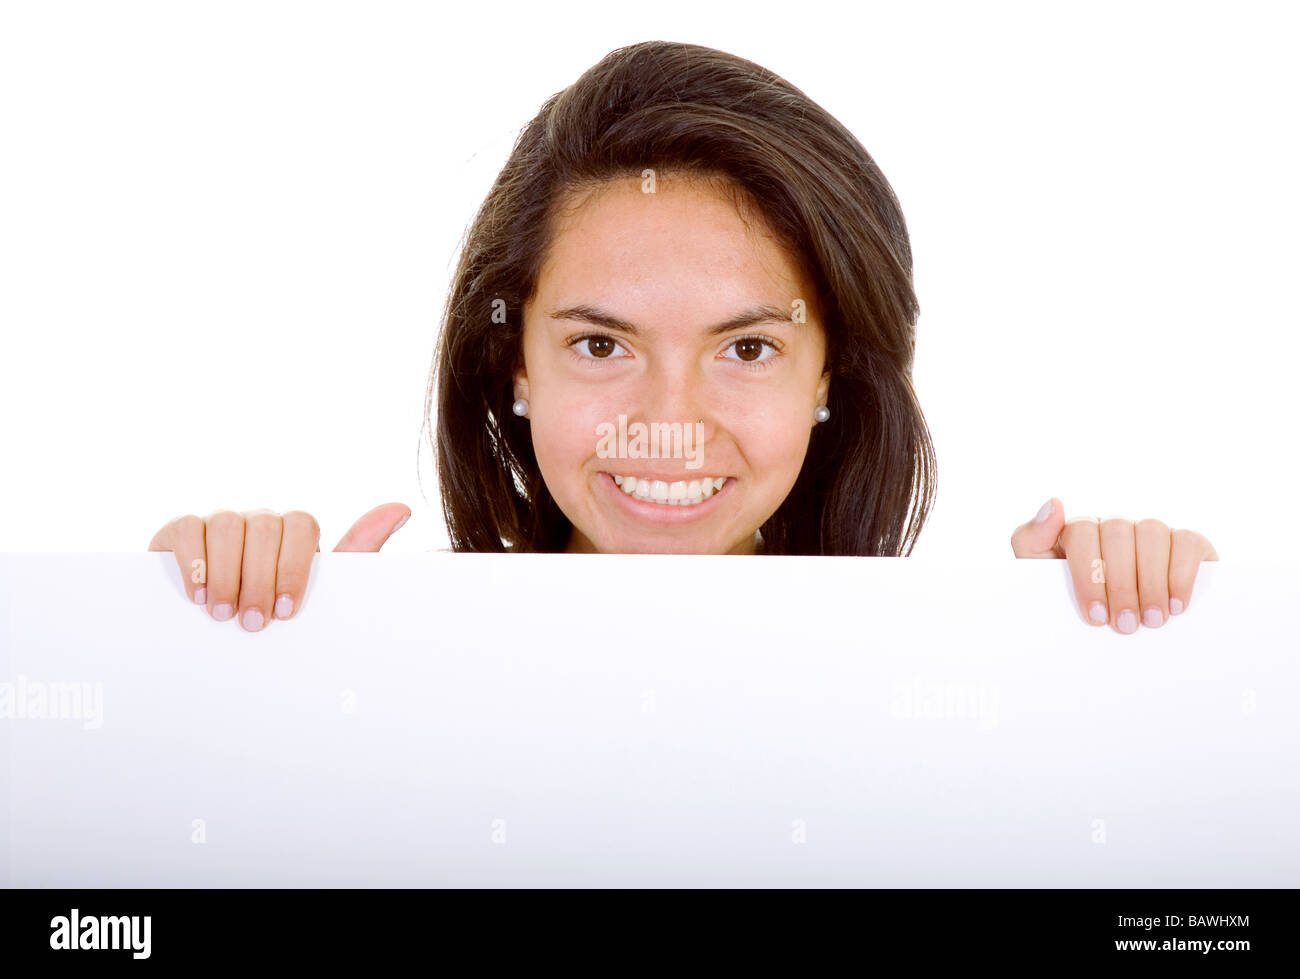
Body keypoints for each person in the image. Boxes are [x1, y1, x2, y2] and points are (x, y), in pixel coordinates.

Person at [148, 41, 1217, 635]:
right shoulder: (374, 654)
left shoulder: (939, 678)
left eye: (746, 348)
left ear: (827, 379)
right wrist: (220, 667)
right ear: (511, 362)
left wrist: (1091, 670)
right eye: (600, 346)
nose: (667, 425)